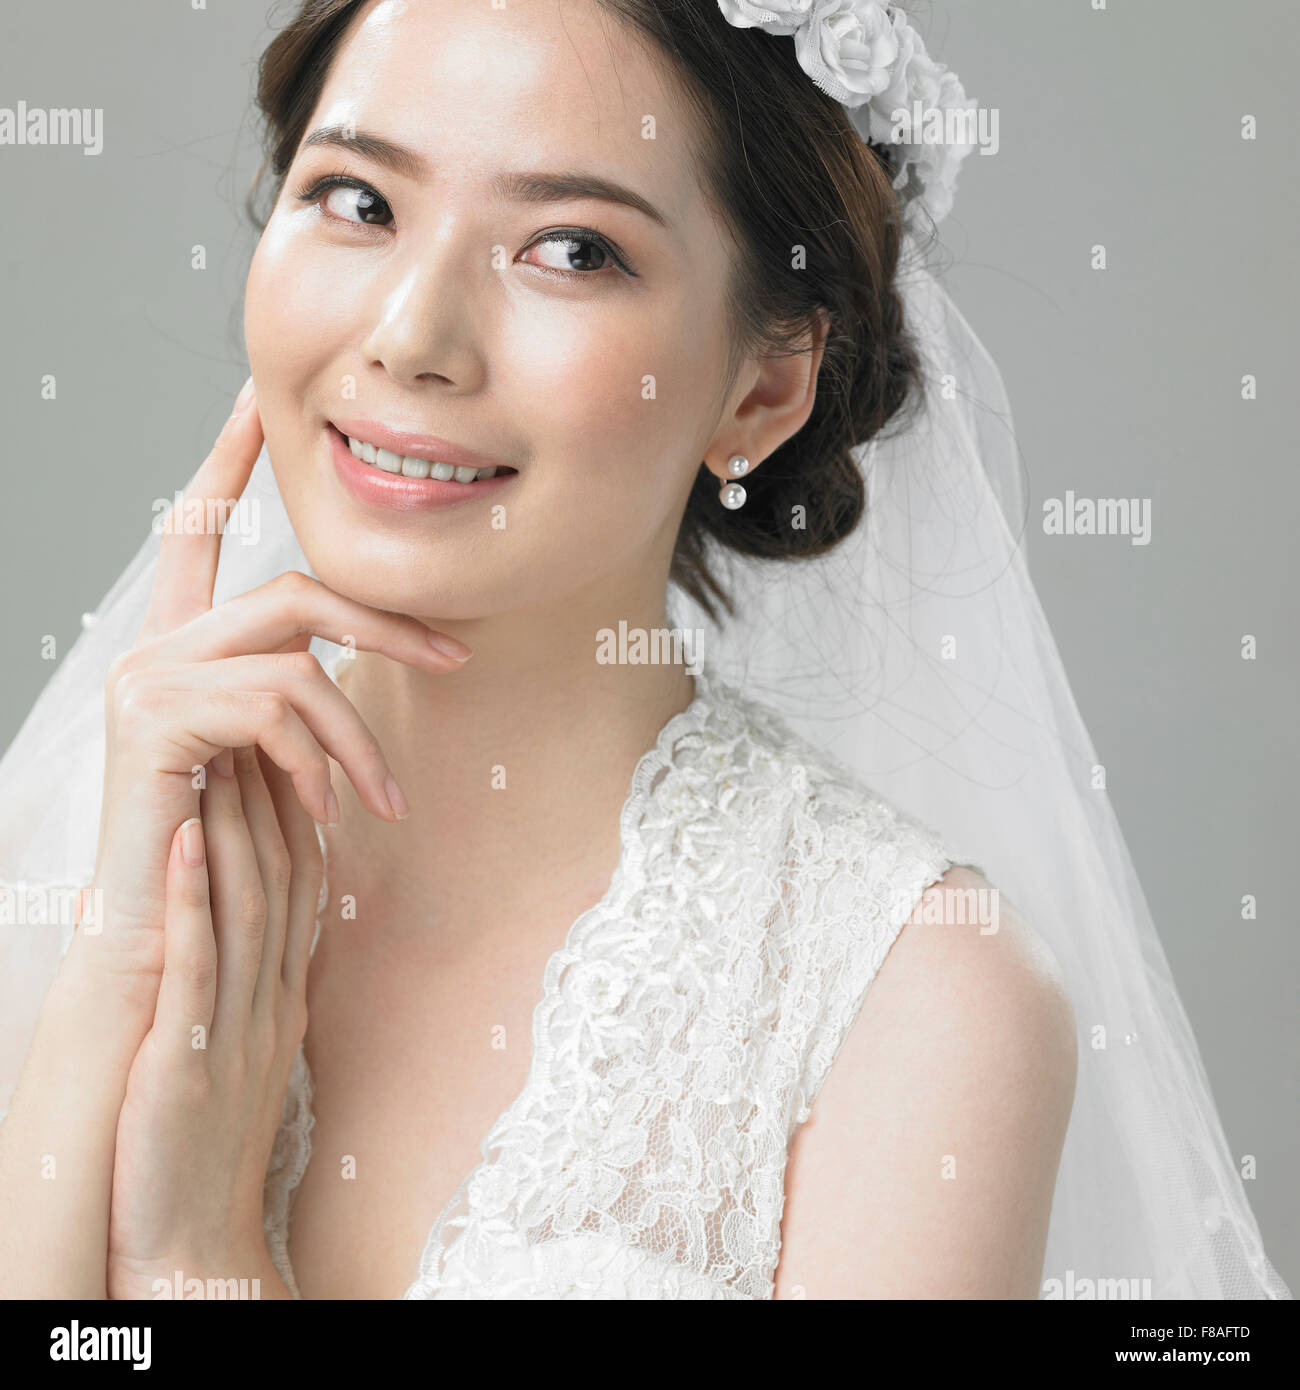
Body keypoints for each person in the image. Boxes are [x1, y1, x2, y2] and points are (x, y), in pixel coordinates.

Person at [0, 0, 1286, 1302]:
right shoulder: (101, 846)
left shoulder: (914, 1002)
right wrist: (116, 978)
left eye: (570, 247)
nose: (409, 335)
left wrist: (195, 1260)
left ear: (763, 389)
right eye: (359, 200)